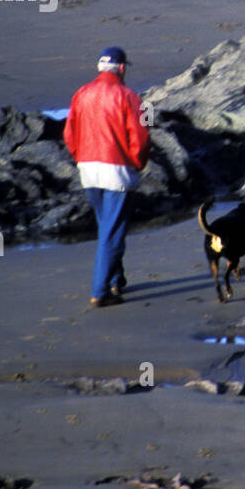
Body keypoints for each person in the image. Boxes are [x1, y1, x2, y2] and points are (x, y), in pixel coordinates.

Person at [63, 46, 150, 307]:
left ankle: (115, 280)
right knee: (112, 232)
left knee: (108, 227)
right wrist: (137, 163)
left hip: (88, 167)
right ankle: (99, 291)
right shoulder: (130, 97)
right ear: (122, 68)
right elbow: (142, 137)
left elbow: (69, 132)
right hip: (117, 169)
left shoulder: (81, 93)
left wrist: (80, 155)